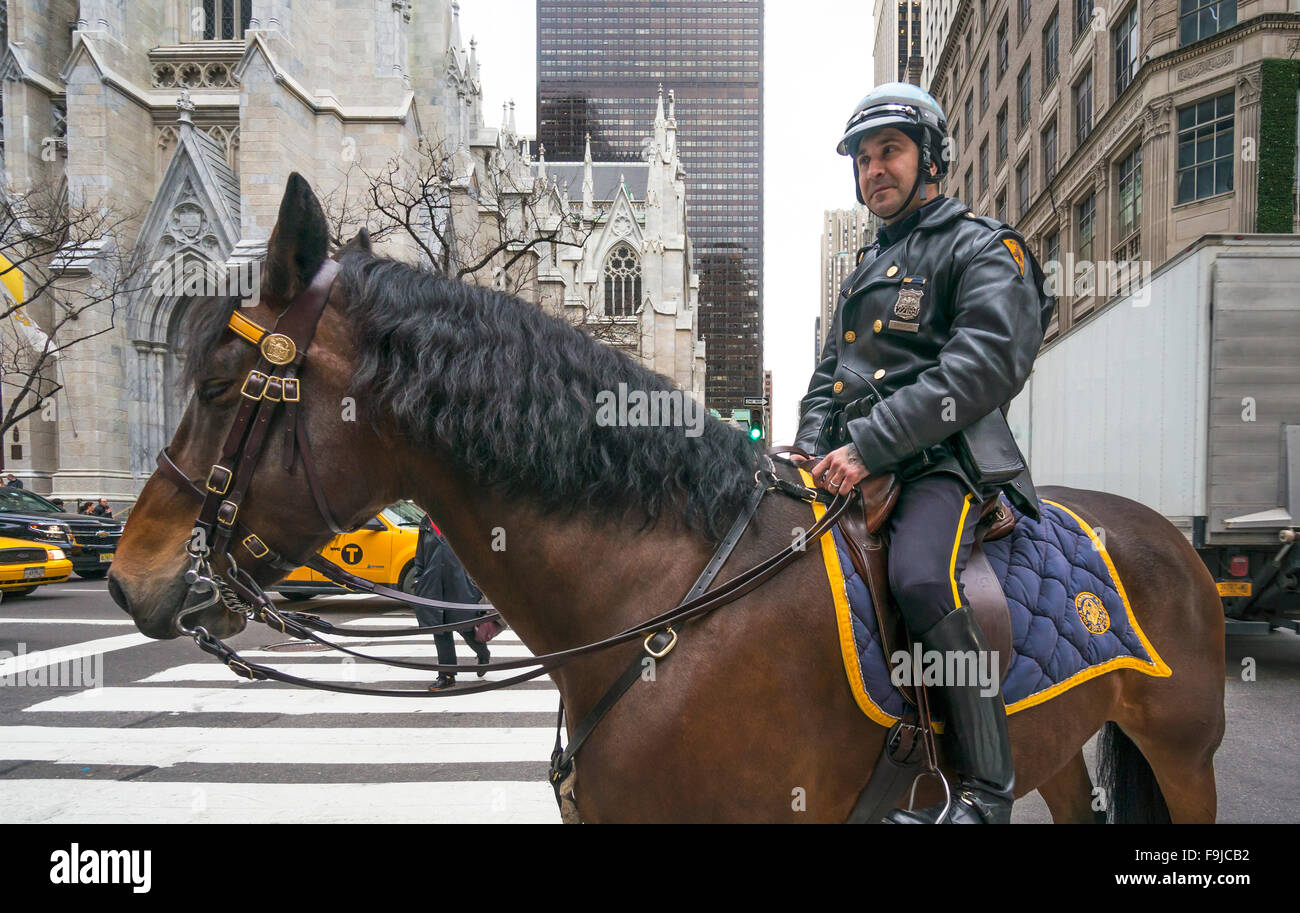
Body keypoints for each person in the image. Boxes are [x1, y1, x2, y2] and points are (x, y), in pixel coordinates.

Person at [792, 84, 1055, 824]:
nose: (875, 170)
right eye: (865, 160)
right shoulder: (862, 272)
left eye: (891, 153)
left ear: (930, 157)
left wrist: (871, 445)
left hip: (945, 464)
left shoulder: (982, 244)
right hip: (850, 465)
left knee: (918, 578)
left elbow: (985, 365)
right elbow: (824, 383)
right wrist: (813, 448)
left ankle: (985, 794)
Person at [408, 512, 489, 691]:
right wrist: (419, 579)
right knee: (440, 630)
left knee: (466, 627)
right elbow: (420, 554)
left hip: (460, 584)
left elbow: (477, 554)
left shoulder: (460, 516)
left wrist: (475, 585)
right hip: (433, 585)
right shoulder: (426, 521)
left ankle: (483, 653)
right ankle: (447, 676)